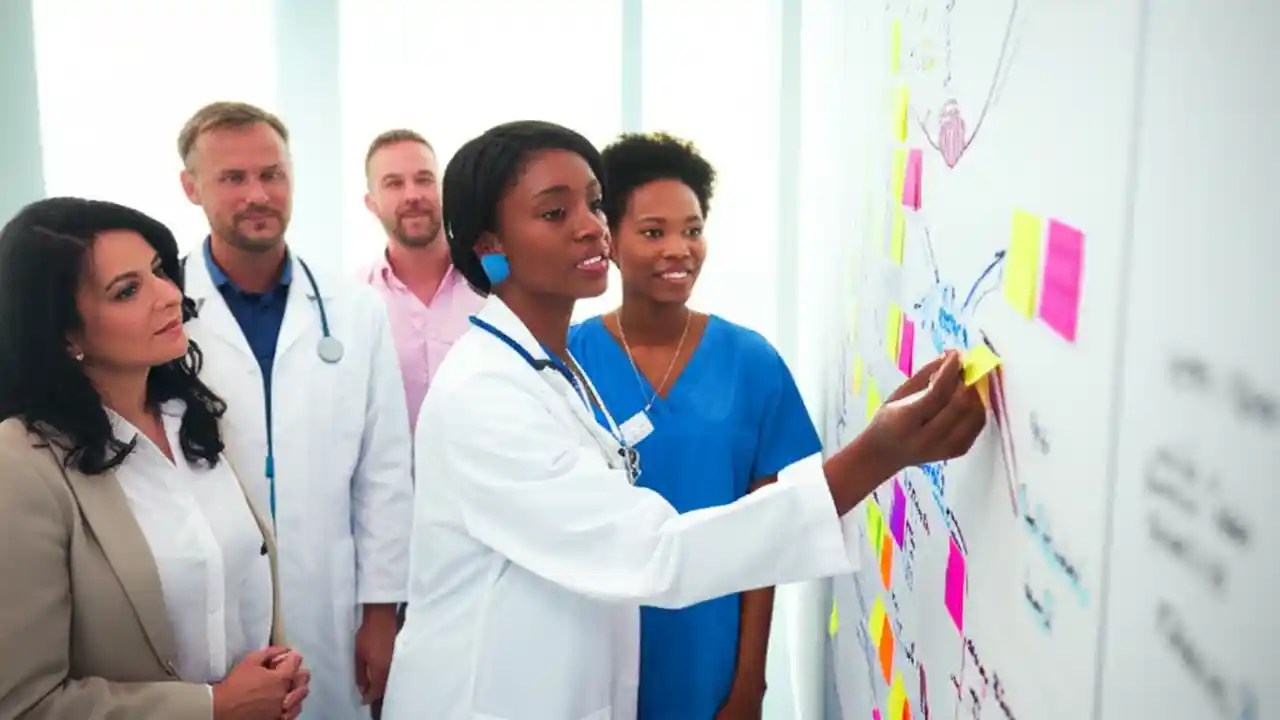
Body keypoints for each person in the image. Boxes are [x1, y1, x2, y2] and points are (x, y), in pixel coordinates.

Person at [379, 120, 987, 720]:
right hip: (482, 697)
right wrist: (878, 455)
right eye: (554, 213)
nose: (591, 228)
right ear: (491, 248)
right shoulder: (487, 394)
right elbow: (658, 553)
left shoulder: (548, 366)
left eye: (594, 204)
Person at [0, 197, 310, 719]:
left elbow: (236, 577)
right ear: (65, 333)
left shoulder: (195, 418)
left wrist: (274, 671)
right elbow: (25, 703)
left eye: (159, 271)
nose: (168, 296)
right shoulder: (22, 466)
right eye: (127, 291)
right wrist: (212, 707)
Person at [176, 102, 414, 719]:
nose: (258, 194)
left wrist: (382, 611)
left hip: (329, 601)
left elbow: (384, 470)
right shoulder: (161, 308)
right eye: (233, 178)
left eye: (272, 174)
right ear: (191, 187)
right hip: (204, 603)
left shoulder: (354, 310)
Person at [567, 131, 807, 718]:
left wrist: (751, 680)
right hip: (593, 645)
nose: (679, 248)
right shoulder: (569, 362)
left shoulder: (751, 363)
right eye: (653, 232)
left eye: (693, 230)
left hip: (710, 650)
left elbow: (765, 539)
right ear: (611, 240)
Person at [360, 128, 486, 433]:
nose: (412, 195)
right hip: (392, 480)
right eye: (393, 184)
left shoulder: (495, 291)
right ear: (371, 203)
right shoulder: (353, 304)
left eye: (424, 179)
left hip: (484, 477)